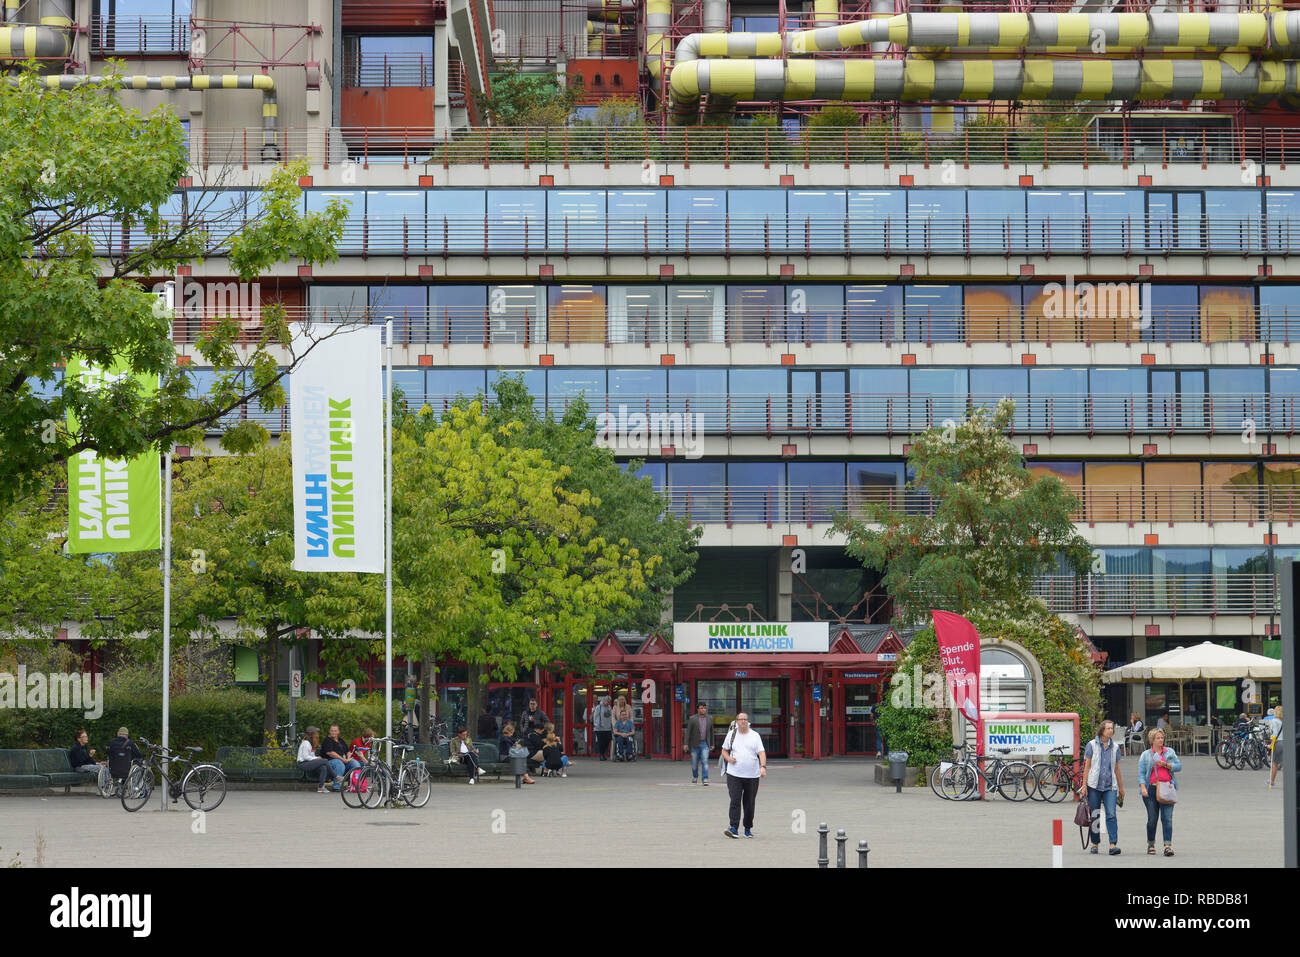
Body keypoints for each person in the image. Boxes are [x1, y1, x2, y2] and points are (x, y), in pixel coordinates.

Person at [1080, 718, 1125, 856]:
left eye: (1112, 728)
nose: (1111, 731)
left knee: (1111, 814)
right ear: (1102, 730)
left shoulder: (1115, 747)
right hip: (1094, 786)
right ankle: (1095, 844)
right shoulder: (1092, 745)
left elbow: (1116, 769)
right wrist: (1084, 785)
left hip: (1110, 787)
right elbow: (1087, 766)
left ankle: (1113, 844)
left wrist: (1121, 788)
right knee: (1095, 815)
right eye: (1108, 728)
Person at [1138, 727, 1182, 857]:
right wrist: (1143, 787)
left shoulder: (1169, 752)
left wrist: (1167, 765)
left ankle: (1167, 846)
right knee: (1152, 819)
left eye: (1162, 738)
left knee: (1167, 818)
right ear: (1152, 740)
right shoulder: (1146, 755)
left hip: (1167, 787)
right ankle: (1151, 844)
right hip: (1151, 788)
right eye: (1158, 738)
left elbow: (1179, 766)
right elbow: (1141, 773)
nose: (1160, 740)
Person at [720, 713, 766, 839]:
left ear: (748, 721)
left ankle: (747, 828)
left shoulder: (755, 736)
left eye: (745, 719)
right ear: (737, 721)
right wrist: (729, 758)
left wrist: (763, 767)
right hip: (734, 774)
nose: (743, 722)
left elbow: (761, 752)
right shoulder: (731, 734)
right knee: (735, 800)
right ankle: (733, 827)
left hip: (752, 775)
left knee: (749, 803)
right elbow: (724, 750)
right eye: (741, 720)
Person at [320, 724, 361, 791]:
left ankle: (354, 785)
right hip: (329, 761)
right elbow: (330, 753)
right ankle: (336, 786)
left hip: (343, 760)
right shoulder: (327, 740)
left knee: (355, 764)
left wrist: (348, 758)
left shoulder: (340, 740)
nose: (333, 732)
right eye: (332, 731)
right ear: (329, 731)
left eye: (335, 731)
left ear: (338, 732)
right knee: (338, 763)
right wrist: (343, 760)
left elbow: (348, 751)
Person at [296, 727, 332, 792]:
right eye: (316, 733)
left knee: (323, 767)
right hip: (303, 764)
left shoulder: (311, 743)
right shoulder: (306, 743)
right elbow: (305, 757)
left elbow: (311, 756)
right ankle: (336, 777)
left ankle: (321, 787)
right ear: (311, 734)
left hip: (308, 763)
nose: (317, 735)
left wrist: (316, 758)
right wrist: (317, 758)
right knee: (325, 761)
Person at [684, 702, 711, 785]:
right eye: (701, 708)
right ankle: (695, 776)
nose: (703, 710)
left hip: (705, 744)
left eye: (704, 708)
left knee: (705, 761)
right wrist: (686, 744)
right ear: (698, 709)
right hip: (695, 744)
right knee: (694, 763)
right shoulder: (692, 719)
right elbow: (688, 732)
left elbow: (711, 732)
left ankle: (705, 778)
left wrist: (712, 744)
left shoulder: (710, 718)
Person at [592, 695, 613, 761]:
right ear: (604, 701)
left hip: (608, 728)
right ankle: (601, 755)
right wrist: (596, 724)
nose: (608, 703)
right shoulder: (598, 707)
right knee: (601, 742)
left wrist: (611, 725)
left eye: (609, 702)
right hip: (599, 728)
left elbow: (611, 717)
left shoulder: (609, 707)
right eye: (607, 701)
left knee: (608, 740)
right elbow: (595, 716)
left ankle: (603, 753)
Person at [1269, 704, 1284, 790]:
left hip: (1278, 743)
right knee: (1285, 763)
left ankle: (1272, 781)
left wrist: (1271, 744)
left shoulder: (1274, 721)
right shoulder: (1284, 721)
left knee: (1275, 764)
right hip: (1286, 742)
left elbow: (1275, 734)